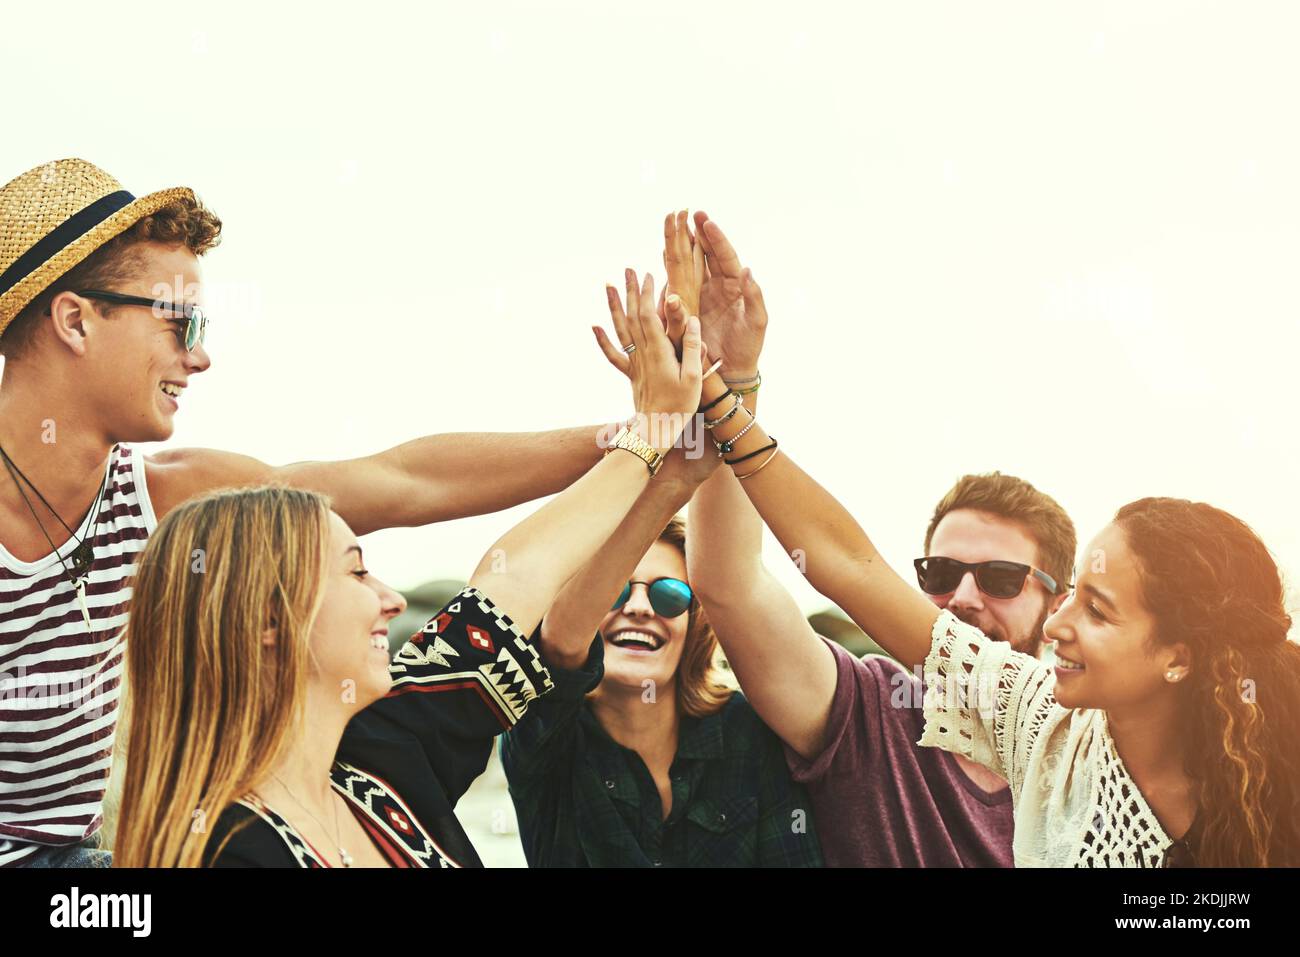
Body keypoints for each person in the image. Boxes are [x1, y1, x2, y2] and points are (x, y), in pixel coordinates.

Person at [0, 157, 623, 867]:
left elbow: (403, 480)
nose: (199, 357)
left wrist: (640, 435)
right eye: (179, 321)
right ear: (75, 321)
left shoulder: (163, 496)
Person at [669, 220, 1300, 865]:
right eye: (940, 572)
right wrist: (722, 386)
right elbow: (846, 563)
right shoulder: (1038, 727)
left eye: (1097, 609)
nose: (1059, 625)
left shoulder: (1277, 788)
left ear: (1179, 658)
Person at [112, 269, 708, 866]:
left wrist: (657, 436)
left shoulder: (382, 752)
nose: (392, 599)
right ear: (270, 620)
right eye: (356, 572)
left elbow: (520, 573)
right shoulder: (228, 853)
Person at [612, 212, 1074, 866]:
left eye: (1000, 578)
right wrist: (730, 378)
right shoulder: (869, 716)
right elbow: (729, 585)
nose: (964, 597)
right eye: (941, 573)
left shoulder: (1090, 755)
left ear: (1061, 605)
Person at [501, 267, 821, 866]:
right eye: (616, 591)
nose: (641, 607)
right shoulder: (544, 736)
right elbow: (562, 640)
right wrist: (663, 440)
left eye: (670, 593)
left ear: (694, 621)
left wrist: (728, 382)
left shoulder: (748, 732)